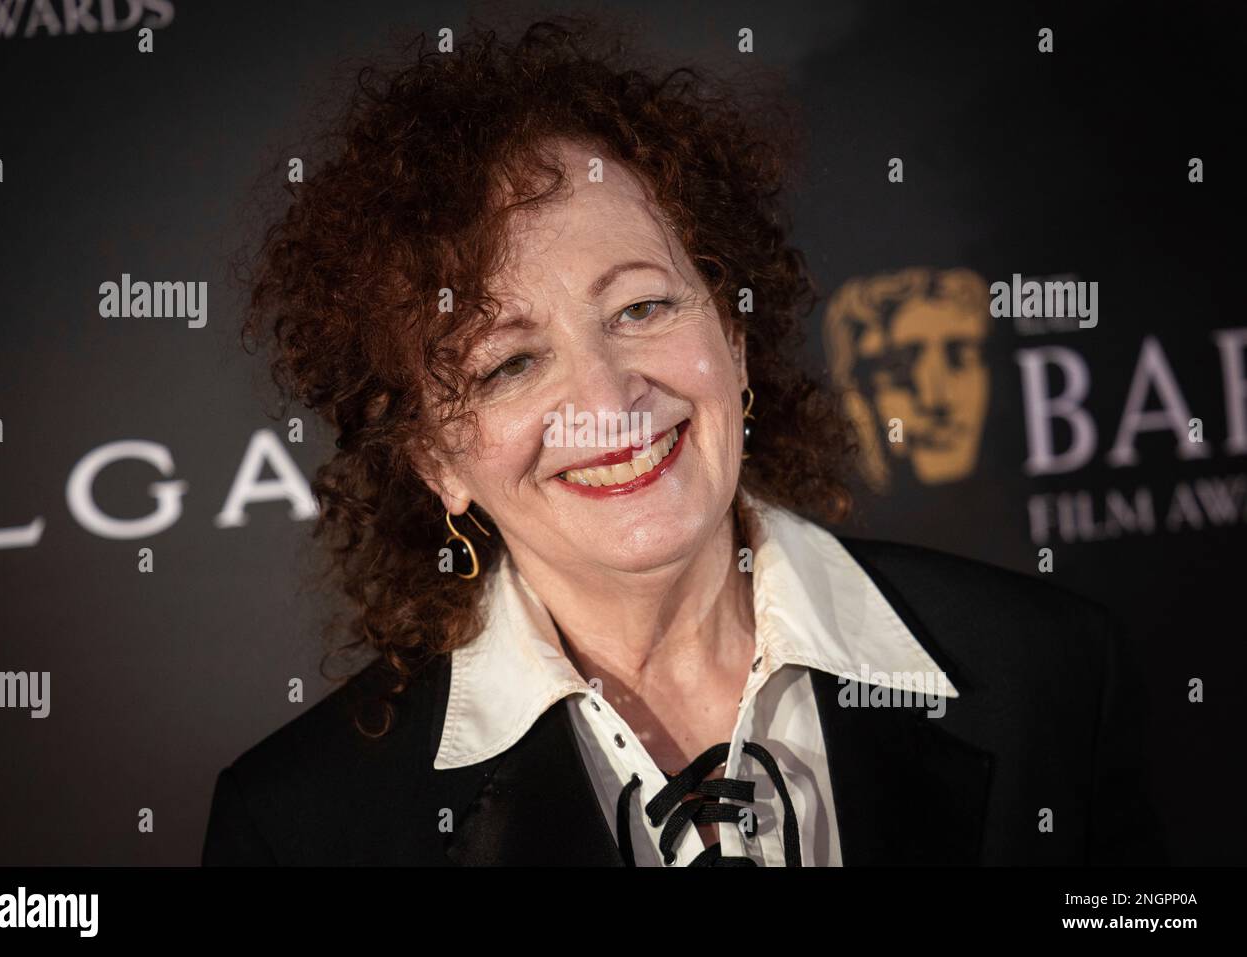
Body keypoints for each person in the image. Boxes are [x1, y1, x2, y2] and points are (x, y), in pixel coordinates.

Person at [202, 19, 1165, 866]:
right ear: (435, 462)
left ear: (735, 339)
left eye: (642, 306)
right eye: (509, 364)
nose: (609, 400)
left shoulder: (1050, 675)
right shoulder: (302, 827)